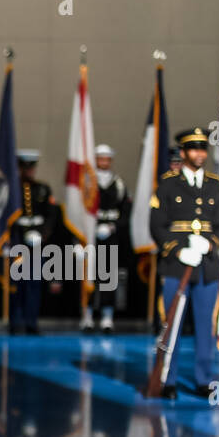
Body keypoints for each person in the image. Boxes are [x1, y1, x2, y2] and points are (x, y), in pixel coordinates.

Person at [149, 126, 219, 399]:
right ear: (183, 152)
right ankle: (167, 378)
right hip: (176, 265)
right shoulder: (168, 184)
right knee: (172, 325)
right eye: (193, 148)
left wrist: (210, 243)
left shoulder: (216, 185)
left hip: (207, 267)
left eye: (203, 148)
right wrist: (178, 250)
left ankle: (204, 380)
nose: (199, 154)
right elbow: (157, 225)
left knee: (206, 326)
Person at [7, 149, 60, 334]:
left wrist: (42, 234)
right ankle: (15, 322)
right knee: (17, 284)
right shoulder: (13, 190)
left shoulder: (43, 189)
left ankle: (31, 322)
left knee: (34, 284)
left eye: (31, 168)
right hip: (18, 242)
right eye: (25, 168)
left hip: (37, 243)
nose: (29, 171)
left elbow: (51, 215)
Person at [82, 143, 129, 333]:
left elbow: (125, 212)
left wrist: (112, 227)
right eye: (101, 159)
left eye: (107, 159)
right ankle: (87, 315)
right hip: (91, 236)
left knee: (109, 276)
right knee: (89, 274)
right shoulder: (87, 183)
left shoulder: (118, 183)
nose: (104, 162)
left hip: (110, 236)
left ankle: (107, 317)